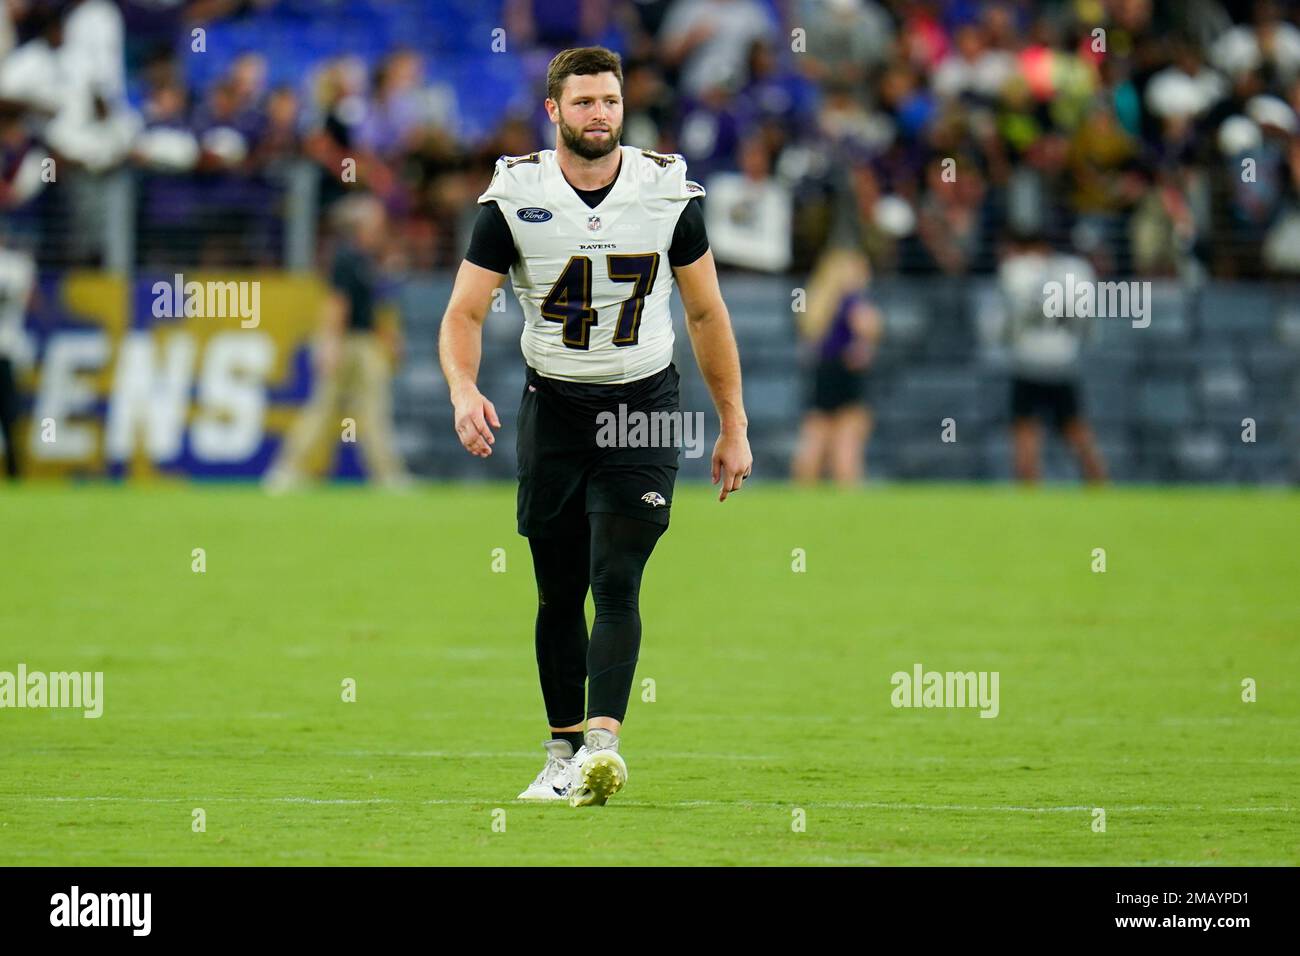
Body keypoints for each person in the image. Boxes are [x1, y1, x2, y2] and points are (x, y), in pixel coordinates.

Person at [438, 47, 751, 807]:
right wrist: (461, 388)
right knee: (556, 590)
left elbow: (706, 311)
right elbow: (465, 312)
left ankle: (602, 747)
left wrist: (732, 424)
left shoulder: (664, 190)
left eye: (609, 101)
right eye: (582, 103)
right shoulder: (515, 193)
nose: (599, 114)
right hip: (554, 407)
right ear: (553, 111)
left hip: (642, 403)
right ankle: (561, 749)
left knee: (617, 577)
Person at [263, 194, 410, 491]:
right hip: (346, 342)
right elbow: (337, 303)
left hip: (365, 342)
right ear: (360, 226)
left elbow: (370, 309)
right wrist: (330, 343)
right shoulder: (345, 257)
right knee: (325, 407)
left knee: (371, 410)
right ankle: (286, 471)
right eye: (374, 222)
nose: (380, 228)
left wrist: (388, 339)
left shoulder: (365, 260)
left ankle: (388, 476)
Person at [999, 230, 1106, 484]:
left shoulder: (1015, 270)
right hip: (1062, 360)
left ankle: (1029, 489)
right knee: (1075, 428)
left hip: (1028, 361)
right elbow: (1088, 323)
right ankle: (1099, 482)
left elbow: (1009, 322)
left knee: (1025, 431)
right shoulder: (1076, 271)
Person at [791, 246, 882, 485]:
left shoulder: (820, 301)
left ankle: (801, 491)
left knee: (816, 436)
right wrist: (866, 345)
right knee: (848, 440)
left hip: (824, 373)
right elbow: (868, 325)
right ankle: (848, 493)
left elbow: (809, 340)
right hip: (846, 373)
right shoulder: (851, 298)